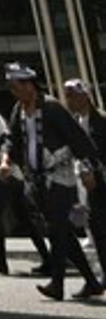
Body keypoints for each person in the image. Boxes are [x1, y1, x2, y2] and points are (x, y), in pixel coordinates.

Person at [0, 64, 103, 301]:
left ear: (29, 85)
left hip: (60, 176)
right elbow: (11, 141)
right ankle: (91, 281)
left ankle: (57, 283)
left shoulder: (53, 108)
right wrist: (5, 161)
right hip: (37, 179)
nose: (14, 93)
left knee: (56, 228)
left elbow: (79, 140)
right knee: (62, 231)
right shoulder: (19, 110)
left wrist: (87, 169)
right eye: (11, 89)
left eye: (16, 87)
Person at [0, 84, 50, 276]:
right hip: (14, 168)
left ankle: (1, 260)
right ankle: (47, 258)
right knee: (23, 217)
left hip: (0, 168)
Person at [64, 78, 106, 282]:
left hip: (102, 180)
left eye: (72, 95)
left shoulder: (102, 122)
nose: (69, 100)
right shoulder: (75, 123)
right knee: (96, 227)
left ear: (85, 96)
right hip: (89, 185)